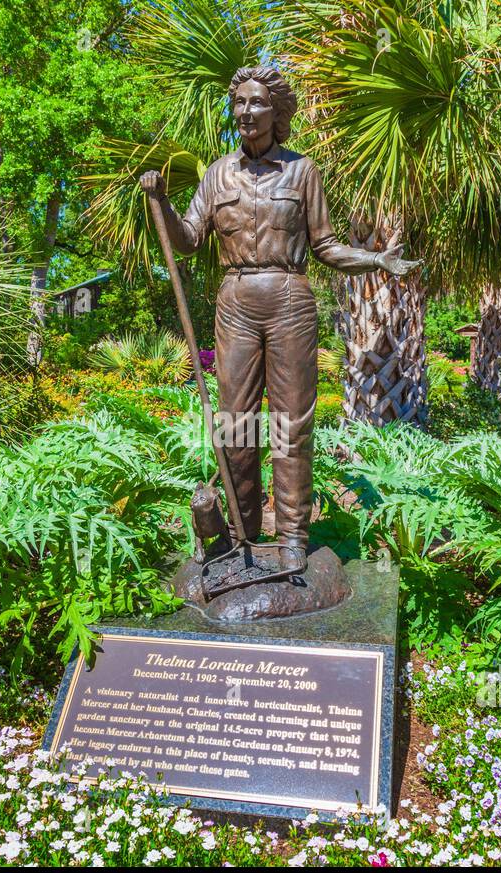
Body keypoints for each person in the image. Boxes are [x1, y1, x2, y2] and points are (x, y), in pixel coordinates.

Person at [139, 65, 419, 572]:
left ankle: (292, 536)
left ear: (276, 111)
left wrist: (377, 260)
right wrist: (159, 200)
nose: (246, 112)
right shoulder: (218, 174)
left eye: (256, 103)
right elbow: (188, 238)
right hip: (235, 301)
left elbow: (327, 247)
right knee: (237, 425)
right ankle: (244, 538)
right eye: (240, 103)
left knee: (291, 425)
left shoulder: (301, 171)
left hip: (290, 297)